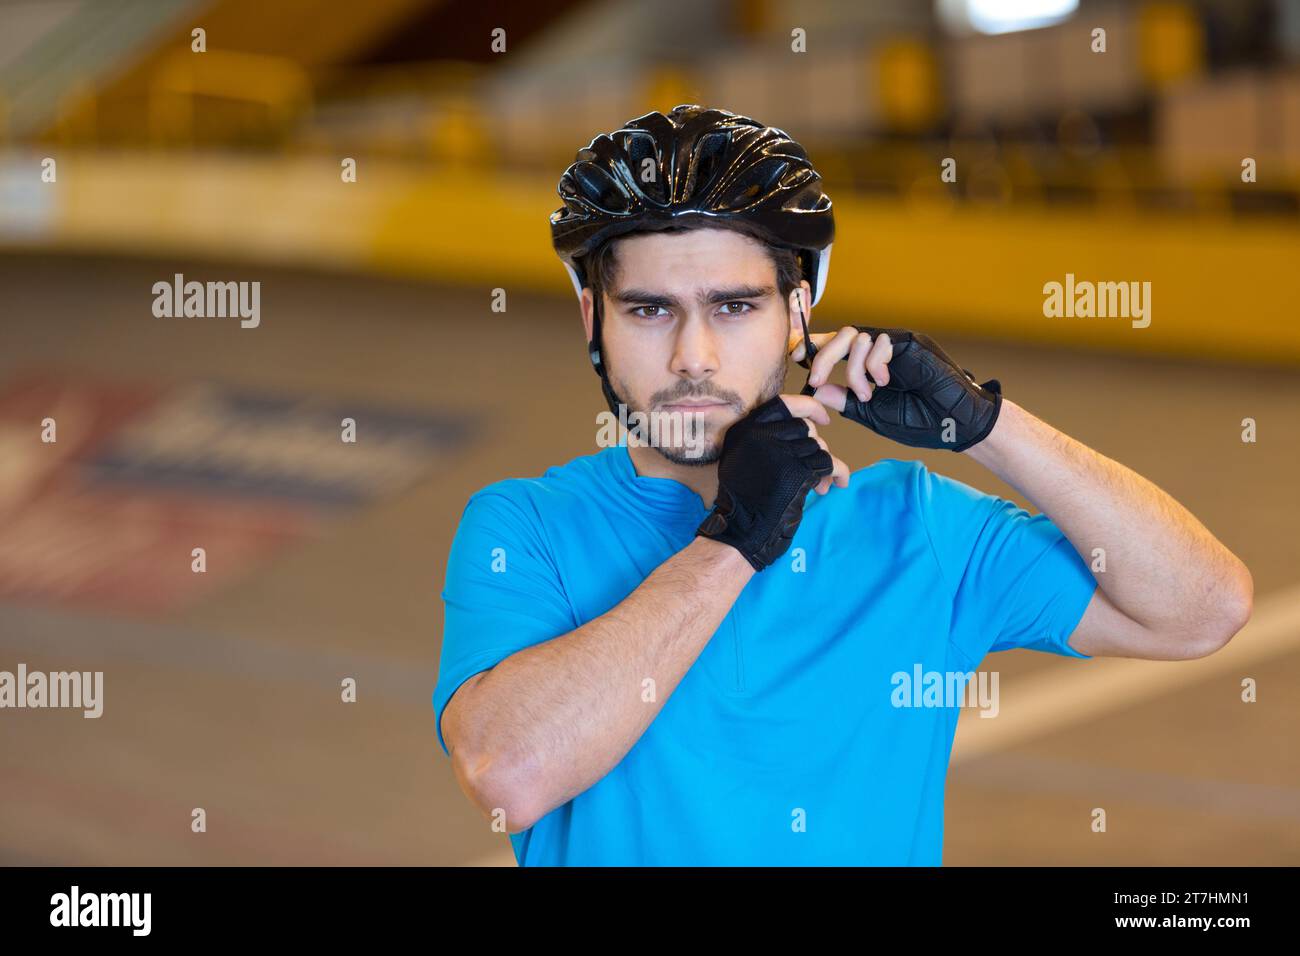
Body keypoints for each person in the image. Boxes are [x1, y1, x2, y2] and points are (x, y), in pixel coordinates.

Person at [431, 105, 1253, 866]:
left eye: (733, 307)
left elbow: (1201, 611)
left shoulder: (913, 524)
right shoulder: (524, 526)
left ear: (798, 311)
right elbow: (509, 773)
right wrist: (735, 540)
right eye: (649, 310)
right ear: (592, 321)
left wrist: (986, 426)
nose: (693, 356)